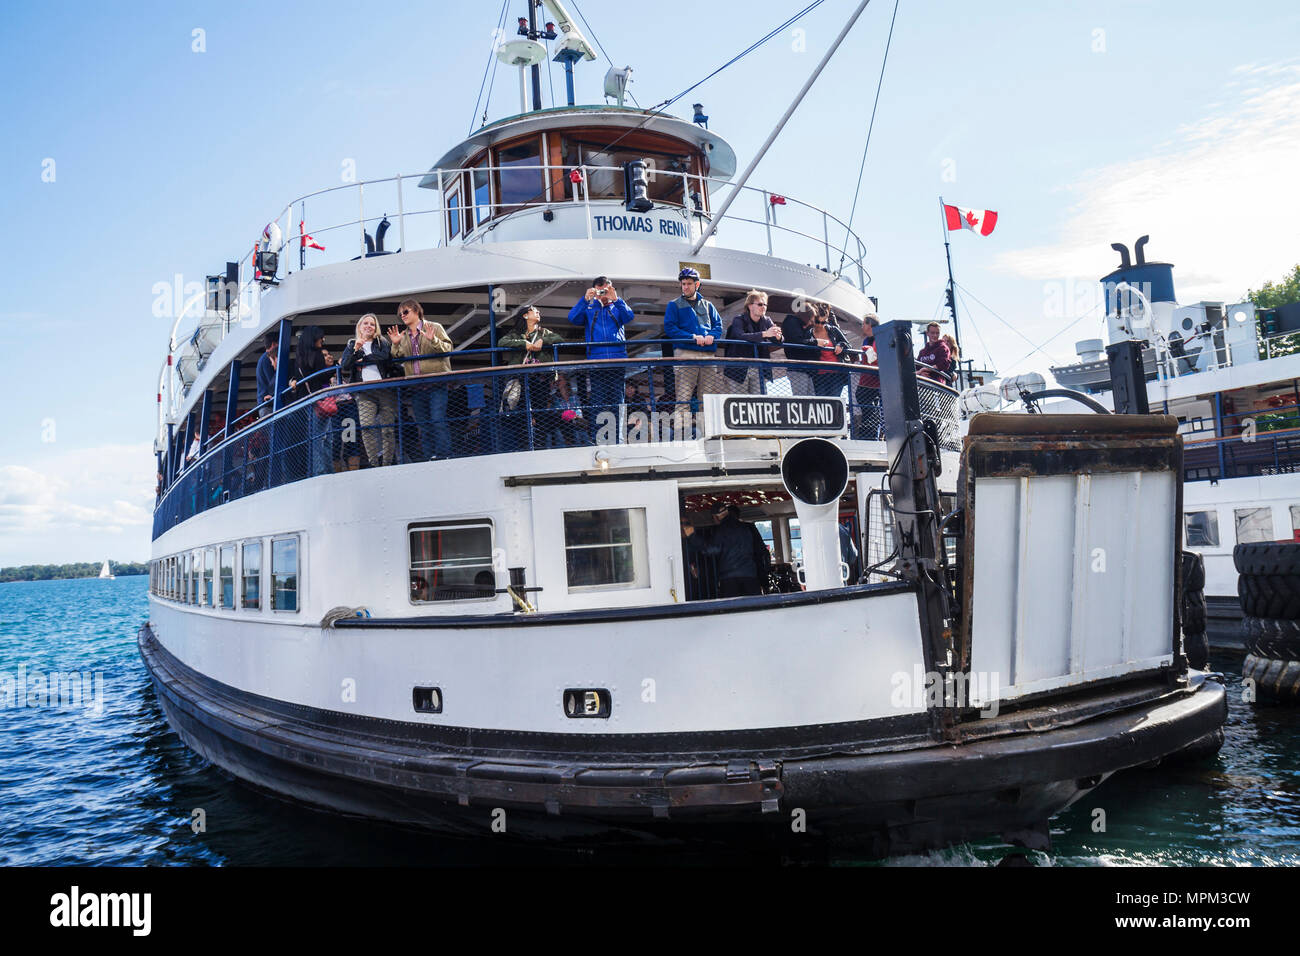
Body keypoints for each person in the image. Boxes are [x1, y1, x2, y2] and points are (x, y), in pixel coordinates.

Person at [567, 277, 633, 441]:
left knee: (617, 400)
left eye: (607, 289)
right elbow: (573, 318)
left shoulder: (617, 307)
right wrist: (585, 299)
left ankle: (617, 437)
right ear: (595, 291)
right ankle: (598, 437)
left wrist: (616, 299)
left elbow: (629, 316)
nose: (604, 294)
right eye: (600, 290)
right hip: (597, 361)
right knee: (599, 401)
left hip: (617, 360)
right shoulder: (589, 309)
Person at [388, 299, 454, 460]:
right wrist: (395, 344)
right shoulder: (404, 336)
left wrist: (433, 340)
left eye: (406, 312)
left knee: (438, 420)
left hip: (436, 382)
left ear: (416, 311)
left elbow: (448, 348)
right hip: (416, 386)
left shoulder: (434, 327)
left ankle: (444, 455)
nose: (402, 315)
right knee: (424, 425)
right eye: (400, 313)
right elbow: (396, 356)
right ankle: (429, 456)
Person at [663, 267, 724, 436]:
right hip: (685, 354)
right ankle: (682, 434)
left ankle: (708, 432)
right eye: (683, 284)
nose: (685, 287)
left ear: (697, 284)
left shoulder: (708, 305)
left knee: (708, 397)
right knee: (683, 396)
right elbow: (669, 328)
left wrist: (712, 335)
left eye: (689, 284)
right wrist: (692, 337)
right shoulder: (673, 305)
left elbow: (718, 325)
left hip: (708, 354)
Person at [499, 305, 565, 449]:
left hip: (539, 379)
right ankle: (525, 446)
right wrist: (525, 344)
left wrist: (543, 341)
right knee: (523, 414)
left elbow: (559, 338)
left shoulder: (543, 332)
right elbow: (502, 342)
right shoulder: (516, 333)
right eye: (535, 311)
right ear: (525, 315)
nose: (538, 312)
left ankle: (540, 446)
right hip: (521, 379)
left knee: (540, 413)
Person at [340, 313, 398, 468]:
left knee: (387, 429)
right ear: (359, 327)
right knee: (366, 427)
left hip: (384, 389)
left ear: (376, 327)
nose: (369, 326)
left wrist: (363, 359)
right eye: (365, 323)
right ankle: (374, 464)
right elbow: (345, 365)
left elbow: (385, 357)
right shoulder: (352, 344)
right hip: (364, 391)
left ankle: (386, 463)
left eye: (372, 324)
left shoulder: (382, 342)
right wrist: (357, 349)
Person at [696, 502, 772, 598]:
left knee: (732, 609)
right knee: (753, 607)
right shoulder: (748, 528)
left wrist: (693, 537)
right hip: (750, 575)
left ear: (716, 517)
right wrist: (764, 580)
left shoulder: (720, 530)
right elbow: (761, 551)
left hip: (729, 578)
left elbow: (710, 550)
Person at [724, 290, 783, 394]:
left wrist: (778, 337)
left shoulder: (767, 320)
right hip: (739, 368)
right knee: (739, 402)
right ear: (750, 306)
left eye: (765, 304)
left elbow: (778, 339)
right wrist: (765, 334)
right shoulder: (738, 319)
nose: (763, 307)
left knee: (759, 402)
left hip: (759, 367)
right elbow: (740, 336)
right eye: (760, 304)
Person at [295, 325, 335, 477]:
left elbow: (299, 378)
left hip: (308, 401)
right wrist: (334, 367)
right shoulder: (318, 355)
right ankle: (324, 471)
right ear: (314, 337)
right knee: (325, 438)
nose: (322, 340)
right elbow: (323, 378)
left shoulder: (300, 355)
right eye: (321, 337)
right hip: (321, 399)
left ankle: (319, 471)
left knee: (317, 437)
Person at [810, 303, 851, 399]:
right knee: (821, 404)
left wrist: (841, 345)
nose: (820, 325)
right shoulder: (809, 333)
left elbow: (848, 345)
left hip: (836, 375)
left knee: (834, 401)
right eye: (817, 322)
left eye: (823, 322)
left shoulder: (833, 330)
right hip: (818, 376)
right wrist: (815, 342)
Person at [779, 303, 819, 395]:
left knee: (810, 400)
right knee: (802, 400)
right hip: (797, 368)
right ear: (806, 316)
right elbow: (796, 341)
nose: (812, 321)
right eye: (811, 318)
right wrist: (816, 342)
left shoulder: (805, 327)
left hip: (807, 369)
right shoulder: (791, 322)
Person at [854, 313, 882, 440]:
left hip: (875, 382)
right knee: (867, 409)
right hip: (865, 381)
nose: (862, 326)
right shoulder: (867, 340)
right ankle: (867, 434)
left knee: (871, 410)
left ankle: (870, 435)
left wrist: (867, 350)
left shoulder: (880, 338)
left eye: (864, 323)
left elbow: (875, 359)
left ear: (870, 324)